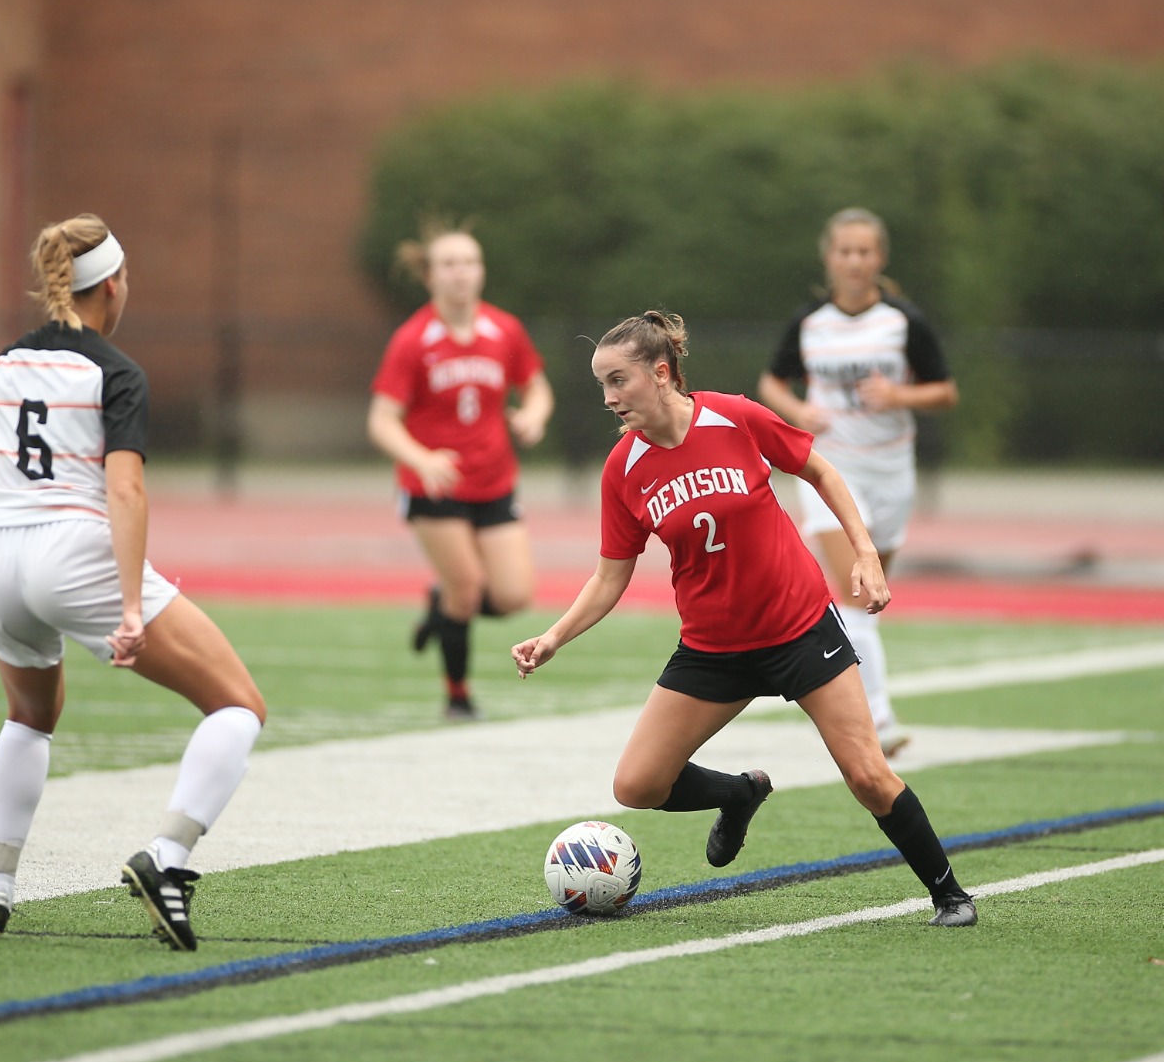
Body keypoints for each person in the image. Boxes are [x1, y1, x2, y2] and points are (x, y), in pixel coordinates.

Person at [512, 311, 976, 927]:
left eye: (618, 381)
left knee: (867, 774)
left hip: (800, 629)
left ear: (660, 372)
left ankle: (949, 894)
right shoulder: (623, 469)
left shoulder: (734, 415)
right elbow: (609, 577)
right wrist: (553, 637)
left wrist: (865, 552)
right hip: (714, 649)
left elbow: (819, 470)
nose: (609, 398)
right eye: (602, 384)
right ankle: (738, 793)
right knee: (638, 785)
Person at [0, 213, 267, 952]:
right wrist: (131, 604)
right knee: (238, 704)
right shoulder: (114, 370)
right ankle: (165, 862)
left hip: (1, 551)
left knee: (30, 716)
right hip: (74, 550)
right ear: (113, 284)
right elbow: (125, 493)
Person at [757, 208, 958, 758]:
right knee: (856, 592)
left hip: (892, 471)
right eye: (844, 251)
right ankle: (880, 723)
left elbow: (945, 390)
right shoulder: (810, 323)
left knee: (867, 603)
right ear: (829, 257)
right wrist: (799, 409)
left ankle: (833, 699)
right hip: (830, 467)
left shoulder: (902, 322)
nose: (854, 261)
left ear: (880, 258)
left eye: (864, 251)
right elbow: (771, 380)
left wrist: (900, 397)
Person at [369, 226, 554, 721]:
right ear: (429, 276)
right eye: (449, 264)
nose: (461, 273)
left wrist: (534, 414)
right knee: (468, 587)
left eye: (470, 262)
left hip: (494, 479)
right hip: (435, 486)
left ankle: (438, 607)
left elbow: (537, 388)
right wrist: (422, 459)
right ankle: (457, 695)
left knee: (514, 596)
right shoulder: (413, 340)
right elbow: (381, 421)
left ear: (482, 271)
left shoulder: (504, 330)